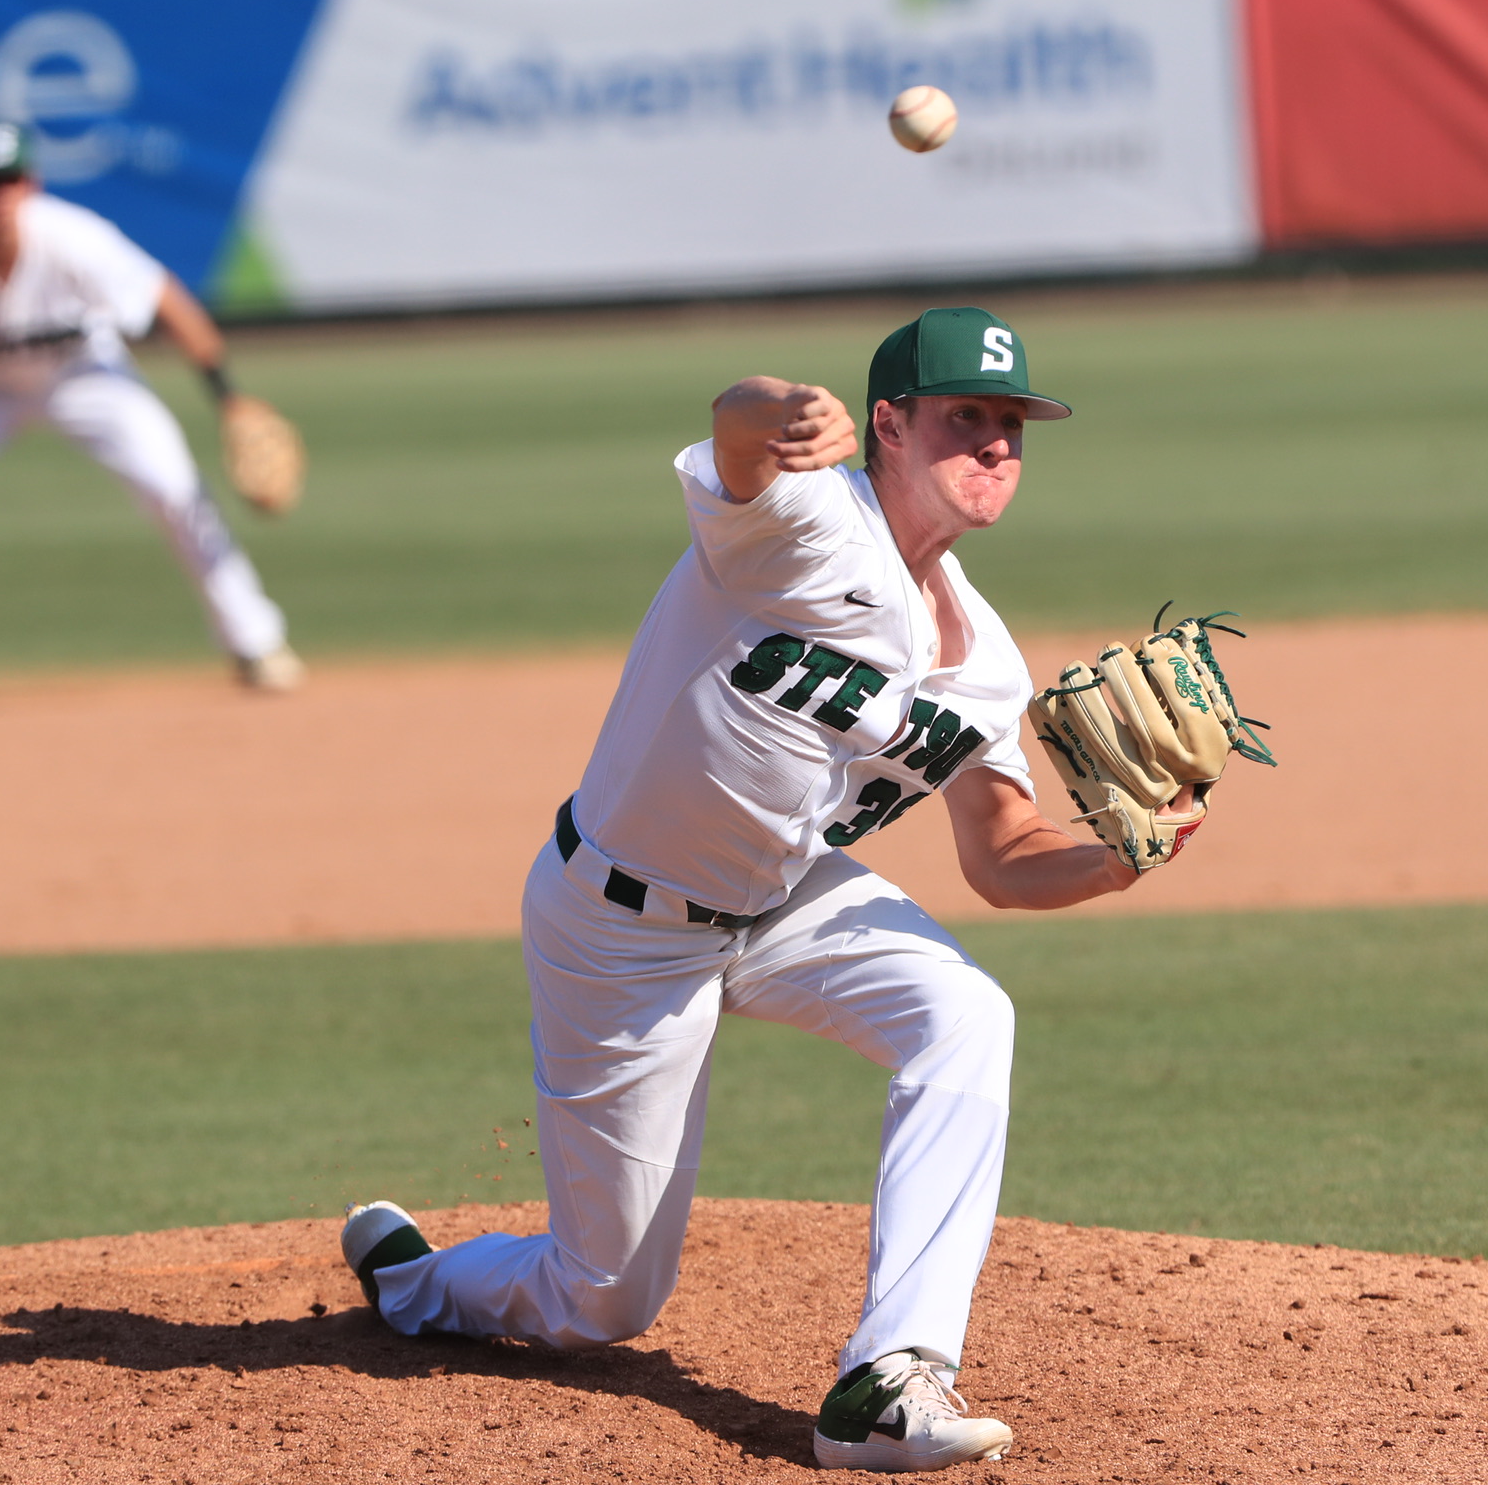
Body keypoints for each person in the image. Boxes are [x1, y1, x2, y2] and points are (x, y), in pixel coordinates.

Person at [340, 308, 1203, 1472]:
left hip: (790, 901)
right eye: (965, 419)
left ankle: (891, 1377)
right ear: (887, 427)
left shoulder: (988, 661)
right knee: (603, 1299)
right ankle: (415, 1281)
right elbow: (733, 439)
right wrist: (778, 408)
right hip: (619, 923)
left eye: (1010, 424)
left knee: (965, 1016)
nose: (995, 444)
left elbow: (1001, 849)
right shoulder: (804, 522)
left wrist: (1113, 858)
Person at [0, 120, 301, 714]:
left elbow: (166, 299)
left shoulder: (77, 239)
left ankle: (256, 642)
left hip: (86, 377)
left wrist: (228, 395)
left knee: (173, 487)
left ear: (33, 185)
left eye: (11, 180)